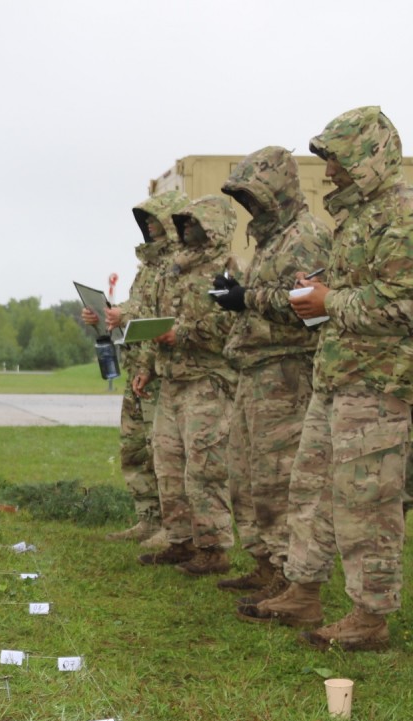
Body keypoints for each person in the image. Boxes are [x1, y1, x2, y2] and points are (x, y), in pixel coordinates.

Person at [243, 107, 413, 651]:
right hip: (336, 377)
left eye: (339, 161)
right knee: (311, 489)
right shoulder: (359, 218)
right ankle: (303, 589)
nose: (331, 173)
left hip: (378, 387)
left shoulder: (402, 216)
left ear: (370, 158)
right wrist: (316, 286)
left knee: (368, 504)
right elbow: (358, 287)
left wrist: (327, 299)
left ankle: (371, 615)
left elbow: (401, 306)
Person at [208, 147, 330, 613]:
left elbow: (308, 306)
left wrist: (247, 298)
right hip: (256, 369)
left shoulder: (306, 236)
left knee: (278, 479)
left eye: (255, 196)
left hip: (286, 371)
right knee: (245, 475)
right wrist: (234, 293)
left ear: (277, 190)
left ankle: (287, 574)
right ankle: (264, 561)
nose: (249, 206)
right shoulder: (272, 239)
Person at [136, 195, 238, 575]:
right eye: (184, 224)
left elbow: (230, 323)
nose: (187, 230)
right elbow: (157, 321)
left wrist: (185, 334)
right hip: (173, 381)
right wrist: (147, 364)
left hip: (207, 382)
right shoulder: (174, 269)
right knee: (168, 463)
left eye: (194, 223)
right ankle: (180, 541)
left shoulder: (225, 268)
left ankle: (213, 549)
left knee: (204, 468)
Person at [82, 191, 189, 543]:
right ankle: (148, 517)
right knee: (135, 449)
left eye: (155, 219)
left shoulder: (178, 266)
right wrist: (107, 314)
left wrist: (124, 316)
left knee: (163, 452)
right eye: (146, 221)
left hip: (159, 371)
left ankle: (172, 526)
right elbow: (137, 309)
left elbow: (163, 317)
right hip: (138, 368)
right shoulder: (149, 268)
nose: (150, 226)